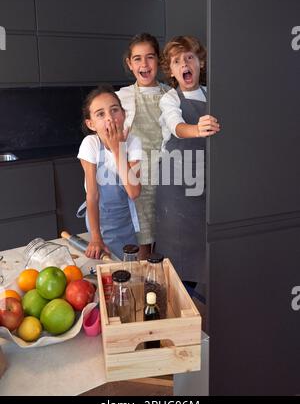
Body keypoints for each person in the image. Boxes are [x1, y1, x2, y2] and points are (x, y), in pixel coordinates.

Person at [155, 35, 221, 298]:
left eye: (190, 58)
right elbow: (176, 126)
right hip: (175, 189)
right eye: (176, 61)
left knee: (203, 250)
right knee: (177, 252)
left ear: (200, 63)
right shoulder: (169, 99)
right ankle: (177, 304)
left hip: (204, 182)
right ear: (171, 70)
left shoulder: (212, 95)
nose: (184, 64)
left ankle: (200, 308)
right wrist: (198, 129)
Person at [116, 33, 169, 259]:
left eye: (150, 57)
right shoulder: (122, 97)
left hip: (170, 178)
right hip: (139, 180)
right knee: (143, 247)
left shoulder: (171, 95)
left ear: (158, 61)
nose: (144, 64)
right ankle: (146, 290)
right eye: (137, 59)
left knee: (168, 243)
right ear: (129, 63)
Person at [77, 84, 142, 260]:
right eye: (100, 114)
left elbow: (134, 192)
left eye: (114, 110)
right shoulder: (91, 144)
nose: (109, 118)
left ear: (124, 114)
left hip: (126, 224)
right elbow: (92, 195)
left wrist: (117, 149)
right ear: (91, 124)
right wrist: (96, 239)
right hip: (99, 223)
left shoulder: (133, 142)